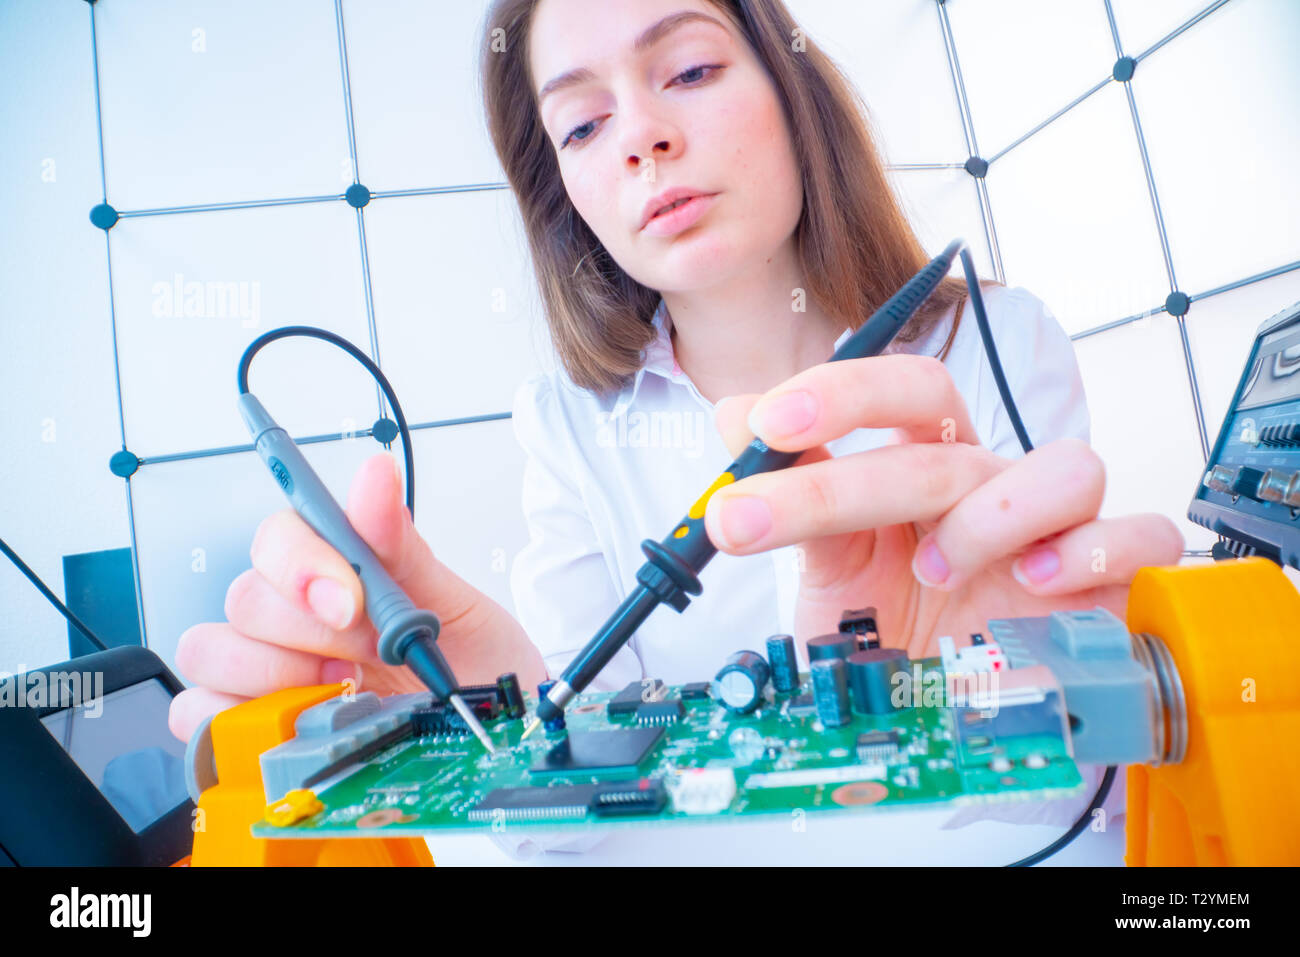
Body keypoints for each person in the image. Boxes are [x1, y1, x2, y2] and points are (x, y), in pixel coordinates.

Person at [167, 0, 1181, 858]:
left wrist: (1064, 716)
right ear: (561, 189)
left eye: (689, 68)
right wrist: (489, 735)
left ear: (795, 94)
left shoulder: (998, 338)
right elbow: (579, 843)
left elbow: (1094, 812)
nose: (642, 138)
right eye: (580, 126)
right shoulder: (564, 424)